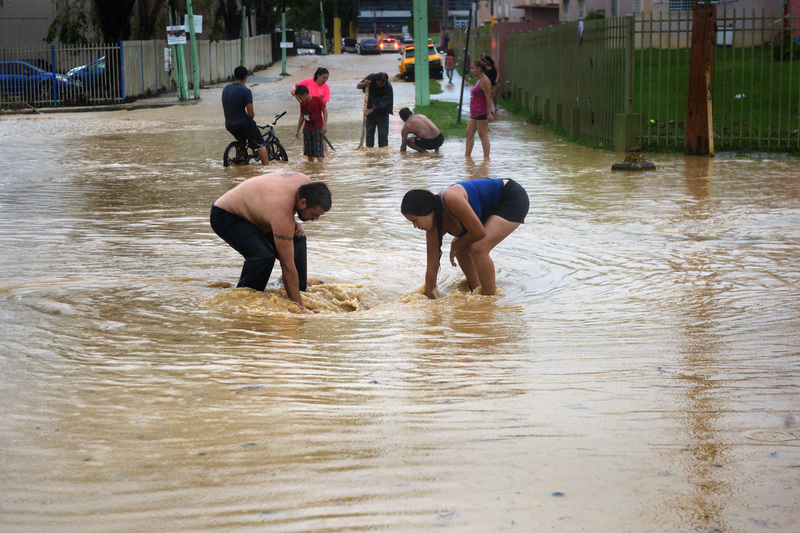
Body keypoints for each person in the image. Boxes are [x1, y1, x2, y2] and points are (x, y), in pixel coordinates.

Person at [210, 172, 332, 314]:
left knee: (298, 239)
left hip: (258, 212)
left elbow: (283, 205)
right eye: (314, 214)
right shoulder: (281, 211)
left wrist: (291, 221)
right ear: (303, 202)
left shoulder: (305, 183)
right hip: (226, 215)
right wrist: (299, 309)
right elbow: (287, 265)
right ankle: (245, 301)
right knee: (263, 256)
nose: (316, 219)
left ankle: (300, 291)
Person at [401, 178, 529, 298]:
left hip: (510, 197)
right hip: (487, 209)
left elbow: (478, 232)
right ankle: (477, 290)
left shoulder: (450, 198)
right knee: (462, 250)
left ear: (425, 210)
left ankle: (490, 299)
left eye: (415, 220)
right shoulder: (432, 230)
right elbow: (432, 267)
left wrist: (455, 245)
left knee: (479, 248)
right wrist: (429, 297)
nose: (415, 226)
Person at [221, 65, 269, 165]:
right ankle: (267, 167)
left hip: (229, 124)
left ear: (234, 76)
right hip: (243, 123)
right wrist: (246, 117)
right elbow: (251, 114)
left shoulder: (226, 88)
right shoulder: (246, 91)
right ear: (246, 77)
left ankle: (240, 163)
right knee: (260, 143)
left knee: (241, 141)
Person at [355, 72, 394, 148]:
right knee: (369, 133)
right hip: (370, 110)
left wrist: (371, 110)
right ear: (376, 80)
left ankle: (383, 152)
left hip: (382, 113)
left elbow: (383, 104)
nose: (379, 86)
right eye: (378, 83)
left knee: (383, 135)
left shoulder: (388, 87)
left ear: (385, 82)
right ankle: (369, 151)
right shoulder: (371, 78)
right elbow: (358, 86)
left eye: (381, 84)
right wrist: (364, 84)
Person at [465, 59, 493, 159]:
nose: (471, 70)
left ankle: (486, 159)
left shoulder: (485, 81)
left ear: (479, 68)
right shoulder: (478, 80)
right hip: (474, 113)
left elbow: (488, 97)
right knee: (469, 133)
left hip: (482, 112)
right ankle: (467, 157)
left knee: (482, 135)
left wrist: (489, 114)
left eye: (473, 68)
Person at [294, 84, 327, 162]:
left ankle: (320, 167)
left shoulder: (317, 100)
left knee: (318, 150)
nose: (300, 100)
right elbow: (301, 117)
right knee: (309, 152)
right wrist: (298, 130)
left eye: (300, 97)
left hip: (318, 128)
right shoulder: (302, 104)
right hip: (307, 129)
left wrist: (324, 125)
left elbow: (325, 112)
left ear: (305, 94)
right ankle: (311, 167)